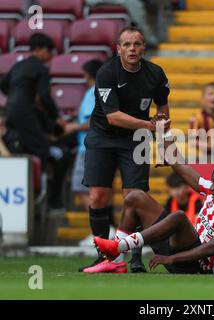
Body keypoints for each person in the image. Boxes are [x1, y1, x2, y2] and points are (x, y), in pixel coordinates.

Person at [80, 26, 170, 273]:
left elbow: (163, 109)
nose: (132, 48)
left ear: (144, 48)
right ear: (118, 48)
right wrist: (148, 125)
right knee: (98, 196)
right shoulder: (107, 72)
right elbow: (113, 117)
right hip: (102, 137)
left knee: (135, 197)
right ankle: (104, 257)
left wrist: (163, 140)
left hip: (135, 140)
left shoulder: (155, 73)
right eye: (127, 44)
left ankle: (135, 257)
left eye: (137, 44)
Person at [92, 158, 214, 274]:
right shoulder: (213, 191)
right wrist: (163, 131)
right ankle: (116, 262)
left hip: (197, 266)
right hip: (177, 248)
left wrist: (171, 259)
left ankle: (117, 246)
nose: (212, 186)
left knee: (180, 217)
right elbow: (180, 167)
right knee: (135, 197)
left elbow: (212, 248)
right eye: (213, 182)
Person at [0, 33, 75, 209]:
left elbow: (2, 84)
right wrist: (57, 116)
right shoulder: (41, 69)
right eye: (50, 52)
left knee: (24, 145)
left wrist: (17, 96)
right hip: (25, 114)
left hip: (11, 111)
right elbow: (44, 96)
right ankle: (49, 199)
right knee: (48, 151)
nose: (50, 58)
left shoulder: (19, 65)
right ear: (40, 51)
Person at [66, 59, 117, 246]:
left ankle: (100, 230)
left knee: (80, 188)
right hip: (104, 147)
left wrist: (72, 126)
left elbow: (91, 122)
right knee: (101, 190)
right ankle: (106, 228)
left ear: (88, 75)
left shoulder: (91, 92)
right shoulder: (108, 91)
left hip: (87, 148)